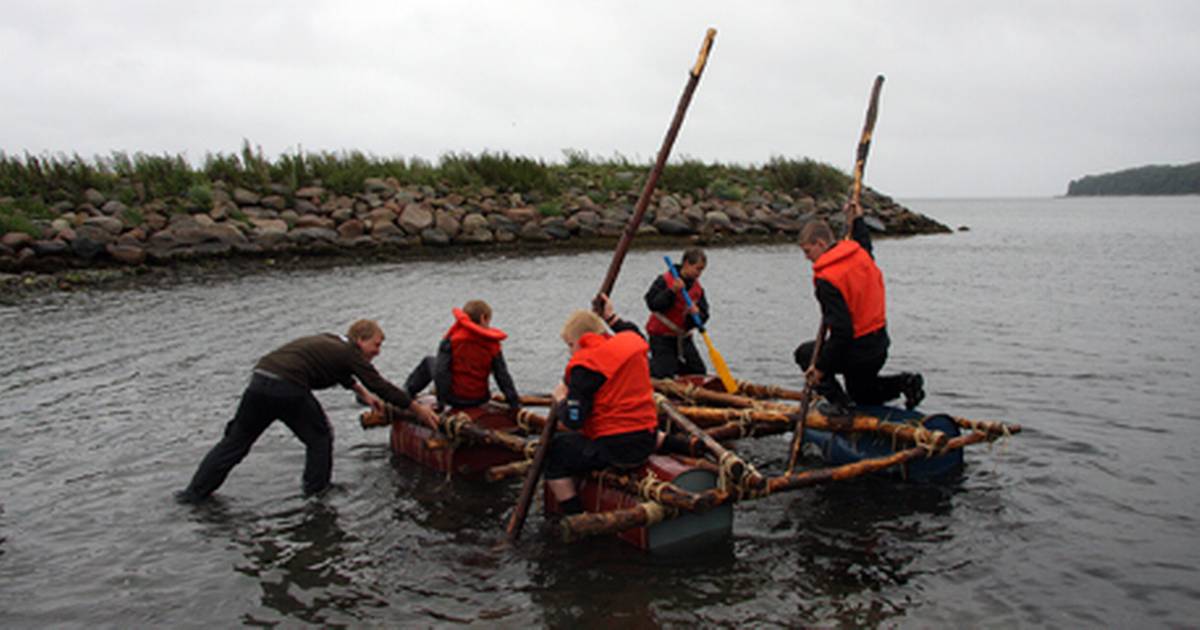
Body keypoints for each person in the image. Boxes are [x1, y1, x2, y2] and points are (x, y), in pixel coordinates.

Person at [176, 320, 438, 503]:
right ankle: (317, 493)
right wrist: (416, 408)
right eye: (376, 345)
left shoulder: (331, 341)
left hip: (259, 381)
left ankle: (195, 494)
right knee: (320, 438)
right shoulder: (350, 353)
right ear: (360, 339)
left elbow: (337, 370)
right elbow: (380, 385)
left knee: (236, 441)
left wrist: (362, 393)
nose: (377, 352)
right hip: (288, 387)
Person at [795, 200, 924, 416]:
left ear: (820, 243)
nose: (807, 258)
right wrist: (858, 219)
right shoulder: (859, 254)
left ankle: (841, 406)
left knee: (804, 354)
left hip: (857, 350)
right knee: (862, 393)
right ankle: (905, 383)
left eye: (808, 251)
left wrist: (820, 369)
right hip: (879, 344)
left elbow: (842, 332)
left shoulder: (827, 279)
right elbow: (865, 242)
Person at [545, 294, 659, 515]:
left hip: (615, 450)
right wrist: (611, 317)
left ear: (581, 340)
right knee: (641, 425)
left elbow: (574, 421)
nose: (570, 352)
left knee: (555, 453)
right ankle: (684, 444)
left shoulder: (585, 367)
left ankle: (574, 514)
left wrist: (561, 400)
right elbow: (633, 332)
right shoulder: (632, 345)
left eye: (570, 345)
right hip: (647, 439)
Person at [403, 300, 520, 410]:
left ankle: (407, 393)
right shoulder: (493, 345)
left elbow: (441, 372)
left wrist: (441, 401)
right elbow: (503, 377)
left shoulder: (451, 340)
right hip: (480, 399)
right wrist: (514, 404)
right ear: (483, 318)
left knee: (429, 361)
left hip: (453, 398)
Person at [644, 248, 709, 379]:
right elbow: (653, 304)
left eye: (702, 270)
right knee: (664, 375)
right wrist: (671, 291)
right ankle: (648, 369)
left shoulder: (698, 289)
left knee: (698, 371)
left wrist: (696, 313)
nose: (699, 273)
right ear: (686, 264)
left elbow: (704, 316)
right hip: (662, 338)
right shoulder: (664, 280)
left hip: (683, 339)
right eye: (697, 269)